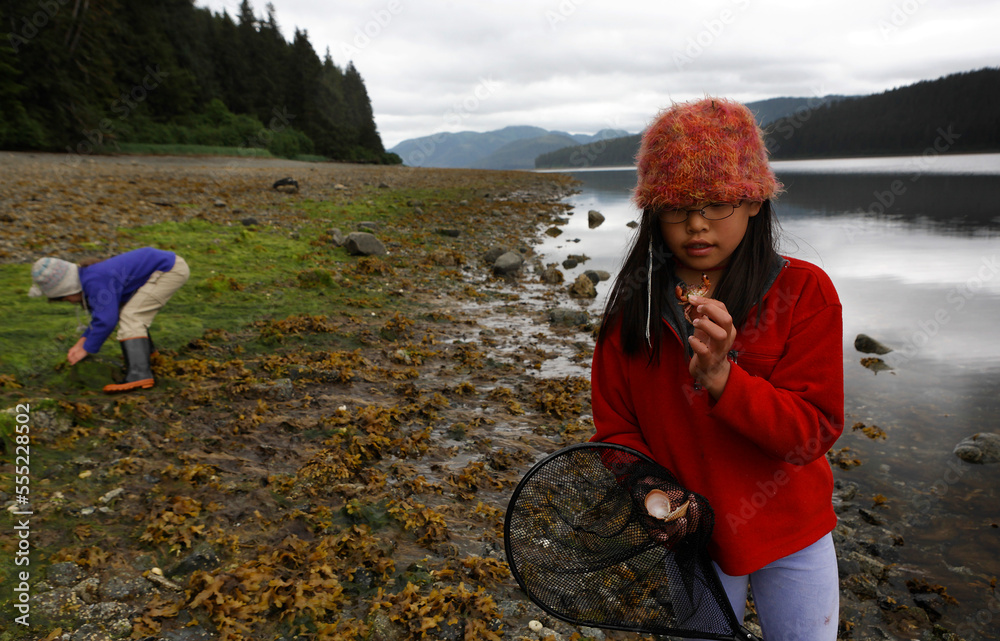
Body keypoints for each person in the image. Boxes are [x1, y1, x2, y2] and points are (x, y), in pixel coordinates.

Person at [590, 97, 843, 641]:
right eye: (677, 206)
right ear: (654, 210)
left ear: (755, 201)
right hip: (694, 539)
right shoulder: (632, 311)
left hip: (793, 532)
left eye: (717, 204)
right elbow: (616, 431)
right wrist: (651, 493)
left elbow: (812, 433)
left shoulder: (804, 292)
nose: (696, 225)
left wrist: (725, 381)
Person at [28, 247, 190, 393]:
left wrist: (87, 348)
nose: (69, 302)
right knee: (127, 311)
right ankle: (147, 356)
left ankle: (139, 374)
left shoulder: (95, 282)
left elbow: (106, 321)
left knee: (132, 315)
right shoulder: (89, 277)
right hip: (165, 266)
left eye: (63, 298)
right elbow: (100, 317)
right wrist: (82, 341)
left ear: (68, 288)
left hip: (169, 270)